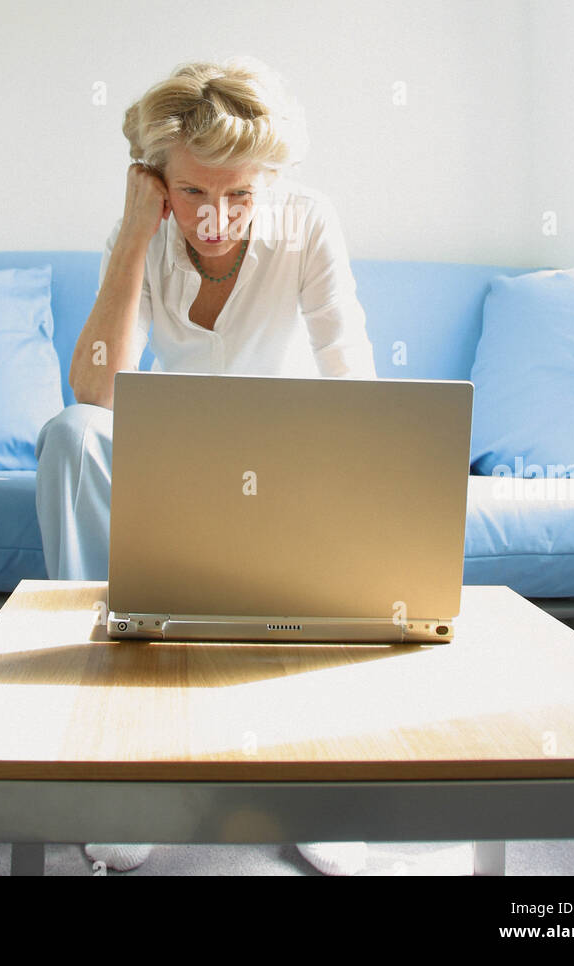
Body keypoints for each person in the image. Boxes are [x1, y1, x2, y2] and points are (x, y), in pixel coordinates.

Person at [35, 56, 380, 876]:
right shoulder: (145, 234)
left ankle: (321, 781)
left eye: (240, 195)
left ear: (270, 181)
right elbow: (95, 390)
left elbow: (353, 379)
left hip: (291, 469)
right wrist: (134, 234)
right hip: (175, 470)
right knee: (72, 435)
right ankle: (123, 759)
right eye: (192, 192)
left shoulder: (308, 221)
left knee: (365, 451)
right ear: (155, 180)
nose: (216, 219)